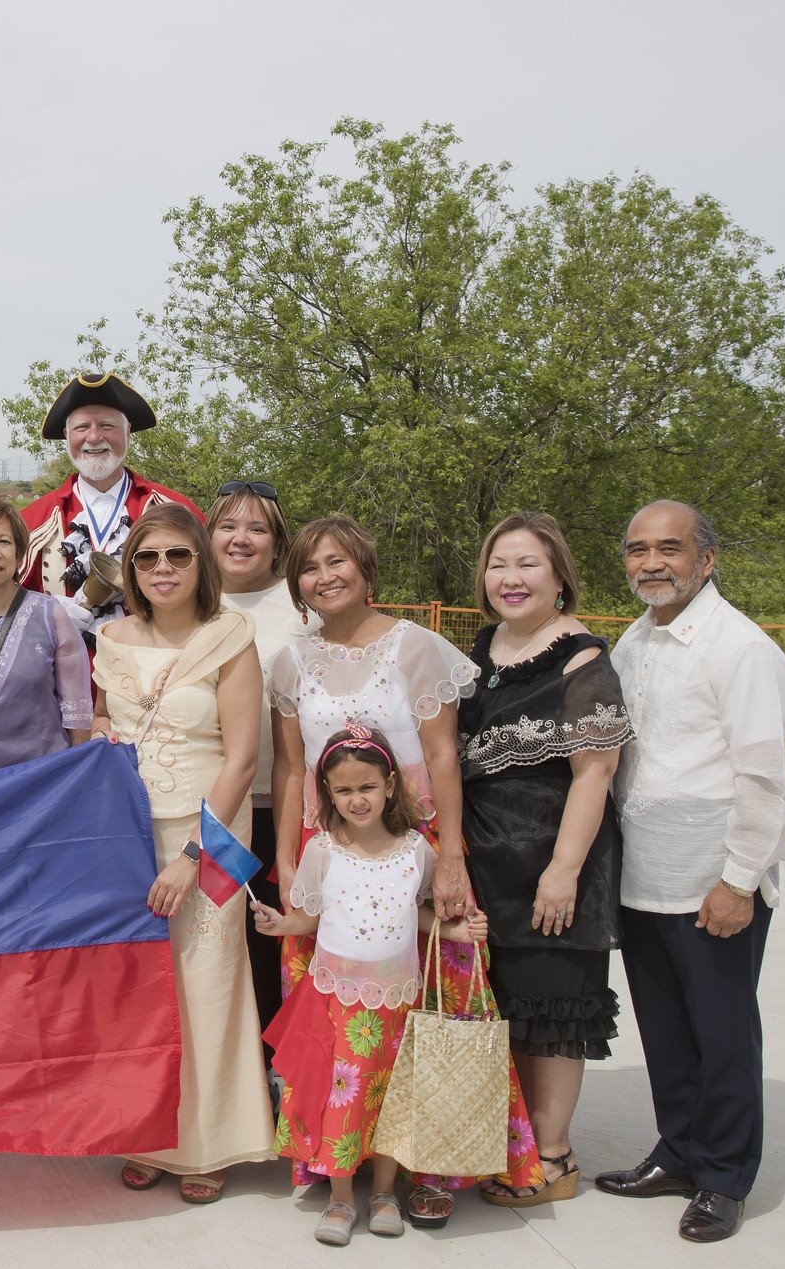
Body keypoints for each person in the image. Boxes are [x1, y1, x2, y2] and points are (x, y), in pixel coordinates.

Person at [266, 514, 543, 1224]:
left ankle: (430, 1161)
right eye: (309, 566)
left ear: (365, 566)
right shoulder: (291, 662)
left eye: (338, 561)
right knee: (333, 1018)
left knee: (434, 1004)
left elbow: (444, 756)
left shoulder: (417, 648)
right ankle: (335, 1155)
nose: (324, 576)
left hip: (411, 848)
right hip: (329, 853)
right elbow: (292, 767)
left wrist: (448, 858)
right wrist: (288, 855)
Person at [597, 501, 785, 1244]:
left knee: (722, 1032)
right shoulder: (635, 640)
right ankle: (679, 1151)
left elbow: (764, 776)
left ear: (705, 560)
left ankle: (723, 1175)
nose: (651, 562)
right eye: (637, 549)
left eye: (670, 548)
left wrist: (740, 879)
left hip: (713, 879)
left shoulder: (740, 649)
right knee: (666, 1029)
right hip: (645, 875)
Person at [92, 503, 274, 1203]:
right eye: (147, 557)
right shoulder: (111, 639)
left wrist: (191, 858)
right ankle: (148, 1134)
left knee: (208, 983)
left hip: (211, 837)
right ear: (131, 569)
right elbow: (102, 718)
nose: (162, 568)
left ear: (201, 561)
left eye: (177, 555)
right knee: (141, 988)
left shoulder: (230, 636)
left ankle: (206, 1143)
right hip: (129, 835)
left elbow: (243, 759)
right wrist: (100, 733)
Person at [252, 725, 491, 1246]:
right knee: (341, 1101)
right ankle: (341, 1200)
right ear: (327, 793)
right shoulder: (321, 851)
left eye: (367, 787)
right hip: (338, 1004)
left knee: (389, 1102)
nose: (356, 799)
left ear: (390, 786)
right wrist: (280, 924)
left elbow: (416, 915)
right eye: (343, 790)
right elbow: (309, 920)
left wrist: (457, 931)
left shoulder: (416, 851)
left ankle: (384, 1194)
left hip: (399, 1002)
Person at [457, 512, 632, 1208]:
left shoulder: (582, 658)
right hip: (487, 858)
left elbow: (596, 771)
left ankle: (553, 1155)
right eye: (499, 564)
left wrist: (563, 871)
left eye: (527, 563)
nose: (511, 578)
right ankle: (513, 1143)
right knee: (510, 1007)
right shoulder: (481, 652)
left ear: (558, 574)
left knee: (553, 1008)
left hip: (554, 856)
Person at [205, 479, 310, 1032]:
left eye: (257, 528)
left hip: (280, 806)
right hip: (209, 809)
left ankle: (278, 1067)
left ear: (278, 542)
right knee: (218, 946)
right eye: (227, 526)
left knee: (274, 939)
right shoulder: (187, 599)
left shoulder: (303, 606)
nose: (240, 539)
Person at [18, 373, 204, 633]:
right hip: (57, 658)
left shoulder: (176, 511)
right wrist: (42, 610)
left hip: (156, 654)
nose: (94, 437)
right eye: (82, 427)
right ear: (67, 435)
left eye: (107, 425)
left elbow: (212, 587)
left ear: (128, 432)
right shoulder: (33, 519)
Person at [0, 499, 92, 772]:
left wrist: (78, 775)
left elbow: (78, 713)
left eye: (4, 542)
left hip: (41, 780)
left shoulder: (50, 615)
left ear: (19, 555)